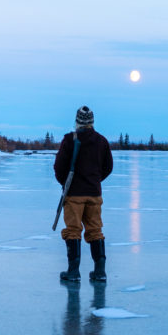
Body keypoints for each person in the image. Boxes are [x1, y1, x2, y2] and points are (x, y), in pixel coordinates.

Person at [54, 106, 113, 282]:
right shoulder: (102, 141)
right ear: (92, 122)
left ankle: (73, 272)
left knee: (73, 230)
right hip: (94, 194)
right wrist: (94, 181)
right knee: (95, 230)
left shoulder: (69, 140)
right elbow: (108, 167)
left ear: (77, 121)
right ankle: (100, 272)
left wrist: (66, 184)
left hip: (73, 195)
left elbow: (59, 168)